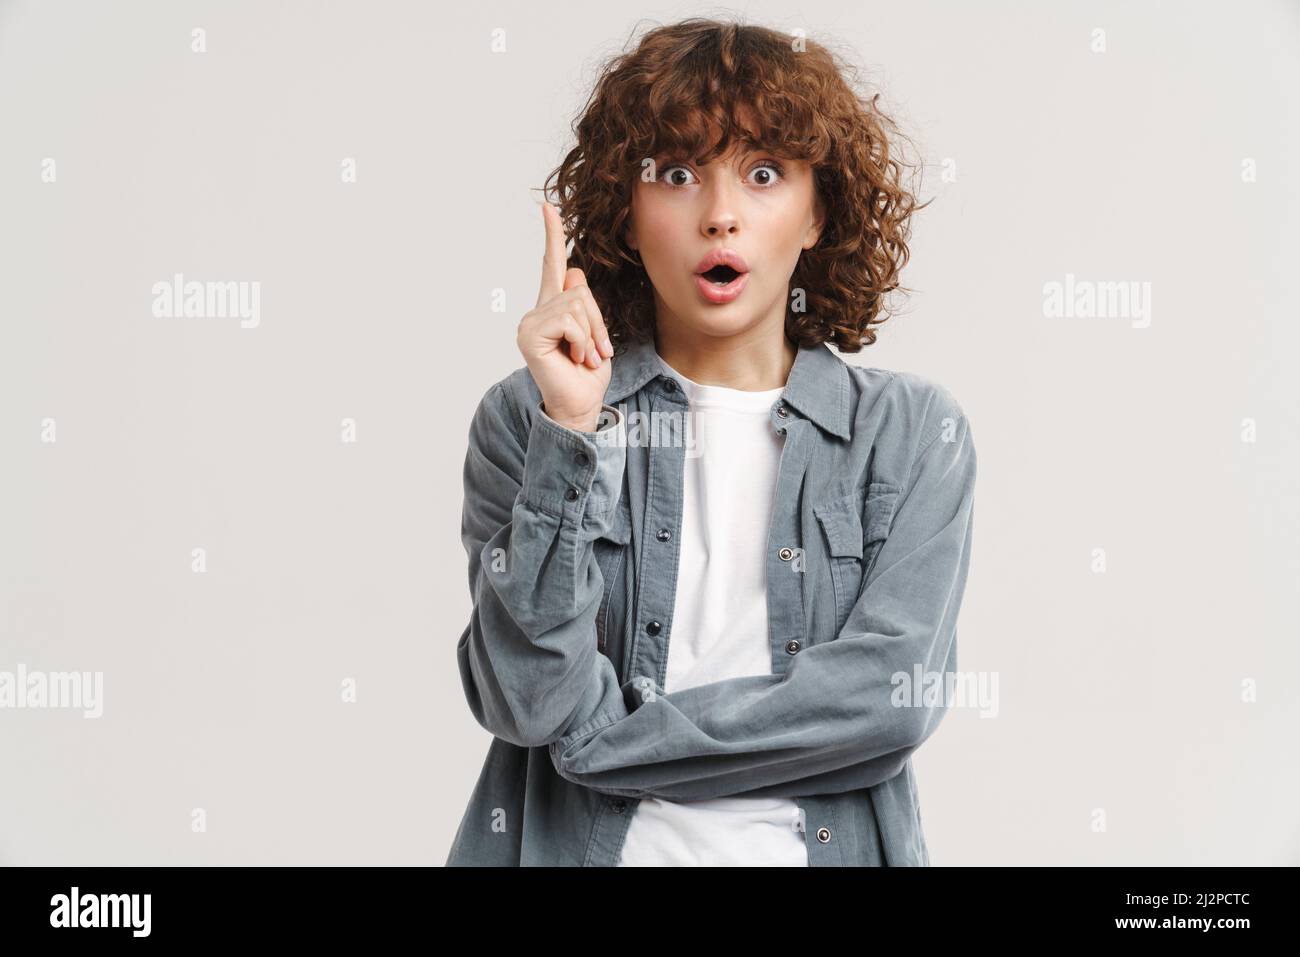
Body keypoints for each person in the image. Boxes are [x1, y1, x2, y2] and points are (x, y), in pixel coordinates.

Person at [447, 17, 977, 866]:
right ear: (627, 207)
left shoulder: (909, 435)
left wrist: (607, 746)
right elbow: (528, 703)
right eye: (679, 173)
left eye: (764, 174)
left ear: (817, 213)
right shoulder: (527, 418)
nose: (721, 215)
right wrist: (571, 432)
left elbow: (887, 701)